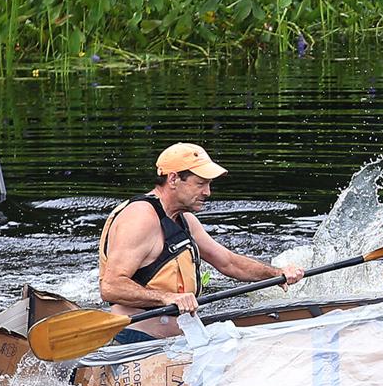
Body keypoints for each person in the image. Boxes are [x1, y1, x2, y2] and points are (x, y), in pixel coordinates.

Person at [97, 143, 306, 343]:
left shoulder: (184, 219)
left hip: (176, 341)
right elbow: (111, 286)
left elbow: (228, 262)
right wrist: (167, 297)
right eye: (200, 184)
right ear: (173, 179)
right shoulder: (141, 218)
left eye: (208, 184)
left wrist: (277, 274)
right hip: (135, 342)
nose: (207, 192)